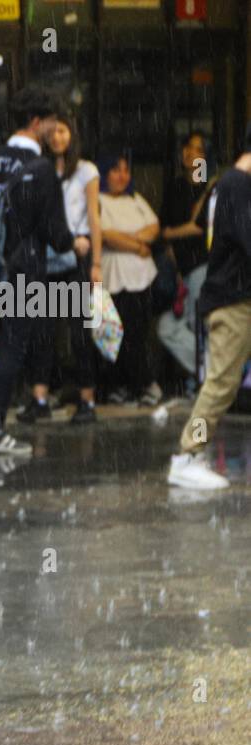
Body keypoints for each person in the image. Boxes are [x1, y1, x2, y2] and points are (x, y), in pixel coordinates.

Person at [0, 86, 73, 456]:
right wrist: (76, 243)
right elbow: (58, 236)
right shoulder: (41, 169)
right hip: (24, 269)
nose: (56, 131)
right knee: (12, 345)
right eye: (52, 124)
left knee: (2, 338)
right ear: (37, 123)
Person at [168, 126, 251, 490]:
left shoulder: (227, 183)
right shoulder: (237, 185)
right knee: (221, 383)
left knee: (222, 381)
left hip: (236, 295)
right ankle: (187, 454)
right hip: (233, 300)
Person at [16, 113, 103, 426]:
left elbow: (94, 217)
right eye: (52, 133)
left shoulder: (86, 170)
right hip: (45, 253)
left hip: (77, 253)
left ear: (73, 133)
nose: (57, 138)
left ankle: (87, 401)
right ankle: (39, 398)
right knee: (42, 331)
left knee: (80, 333)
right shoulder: (39, 168)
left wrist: (96, 262)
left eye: (63, 131)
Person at [98, 152, 163, 407]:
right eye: (116, 170)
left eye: (126, 170)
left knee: (138, 334)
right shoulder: (98, 200)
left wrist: (127, 238)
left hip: (142, 277)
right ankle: (119, 386)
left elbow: (154, 228)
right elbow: (105, 234)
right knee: (113, 335)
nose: (122, 175)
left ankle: (140, 385)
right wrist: (137, 245)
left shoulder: (136, 199)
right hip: (112, 275)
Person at [158, 132, 214, 384]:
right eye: (187, 149)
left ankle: (207, 377)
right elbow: (163, 231)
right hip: (182, 269)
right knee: (172, 327)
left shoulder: (206, 185)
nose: (191, 153)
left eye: (197, 150)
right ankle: (207, 374)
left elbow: (198, 226)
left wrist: (174, 231)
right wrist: (173, 234)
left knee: (197, 324)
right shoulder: (175, 186)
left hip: (202, 266)